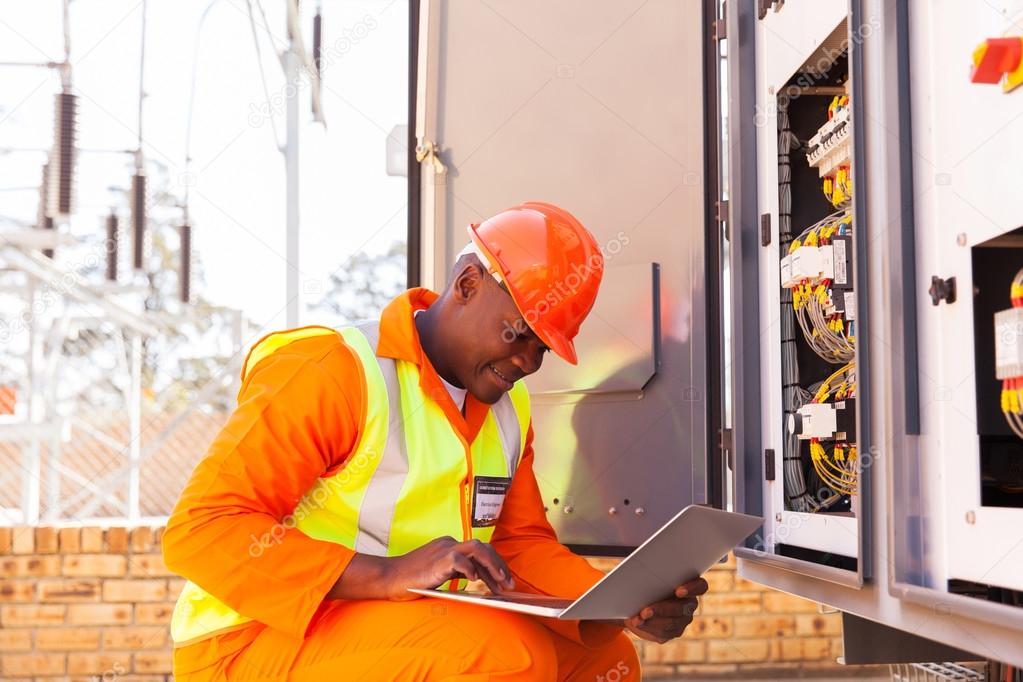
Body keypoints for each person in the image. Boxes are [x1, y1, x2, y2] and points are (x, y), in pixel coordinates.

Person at [162, 202, 708, 681]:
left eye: (544, 348)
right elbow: (202, 531)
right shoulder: (333, 371)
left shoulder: (507, 407)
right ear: (468, 285)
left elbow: (518, 548)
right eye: (519, 333)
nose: (526, 362)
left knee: (604, 661)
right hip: (250, 642)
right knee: (503, 658)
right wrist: (388, 574)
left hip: (387, 627)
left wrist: (616, 604)